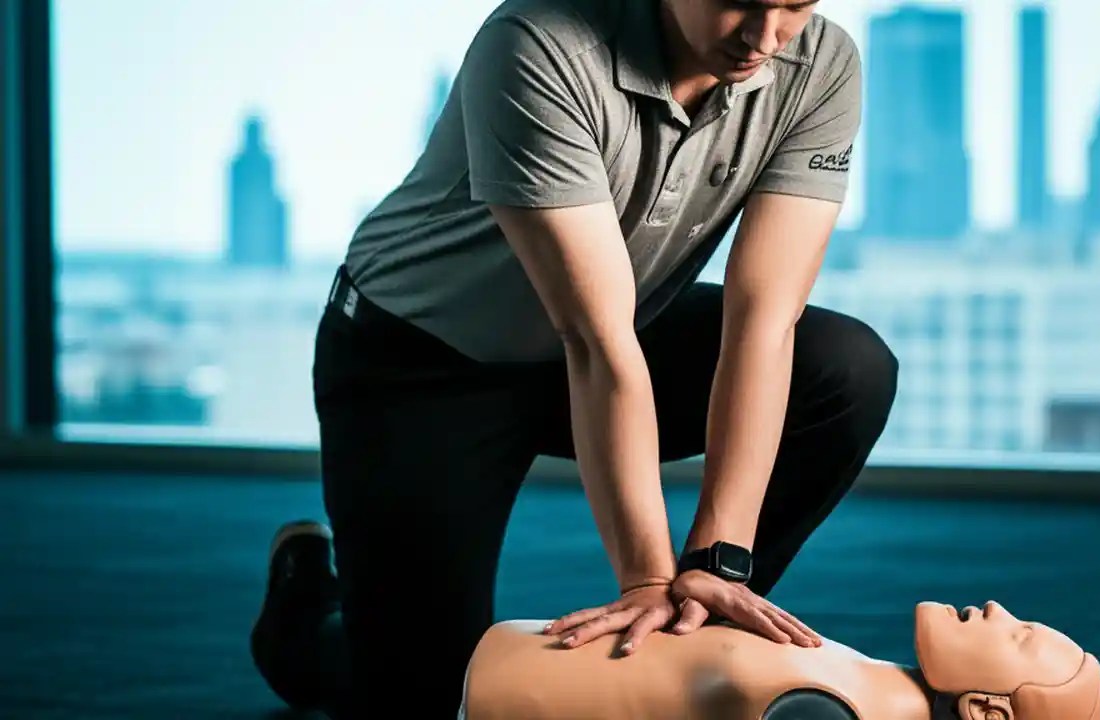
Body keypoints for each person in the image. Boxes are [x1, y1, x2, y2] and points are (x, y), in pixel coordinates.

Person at [249, 0, 899, 717]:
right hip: (424, 359)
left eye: (795, 7)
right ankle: (303, 608)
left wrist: (715, 561)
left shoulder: (820, 63)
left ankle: (698, 626)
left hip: (617, 326)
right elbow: (595, 340)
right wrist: (644, 579)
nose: (765, 37)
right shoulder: (539, 43)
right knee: (429, 696)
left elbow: (764, 324)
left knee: (845, 369)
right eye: (738, 2)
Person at [460, 600, 1100, 719]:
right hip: (506, 660)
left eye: (1018, 636)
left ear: (986, 714)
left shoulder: (845, 711)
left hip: (486, 692)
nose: (997, 608)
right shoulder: (880, 690)